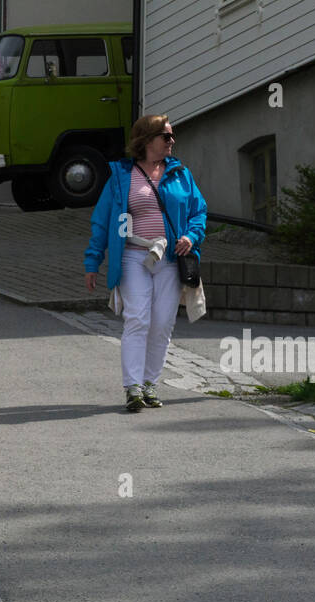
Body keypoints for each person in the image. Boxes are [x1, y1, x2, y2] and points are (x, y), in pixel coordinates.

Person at [85, 114, 207, 412]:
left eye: (172, 136)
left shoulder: (180, 174)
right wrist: (93, 261)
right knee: (138, 317)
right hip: (133, 256)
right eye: (166, 136)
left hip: (169, 257)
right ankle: (133, 387)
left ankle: (150, 383)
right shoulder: (121, 176)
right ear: (147, 139)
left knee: (163, 321)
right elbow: (102, 221)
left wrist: (191, 237)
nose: (172, 141)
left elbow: (199, 212)